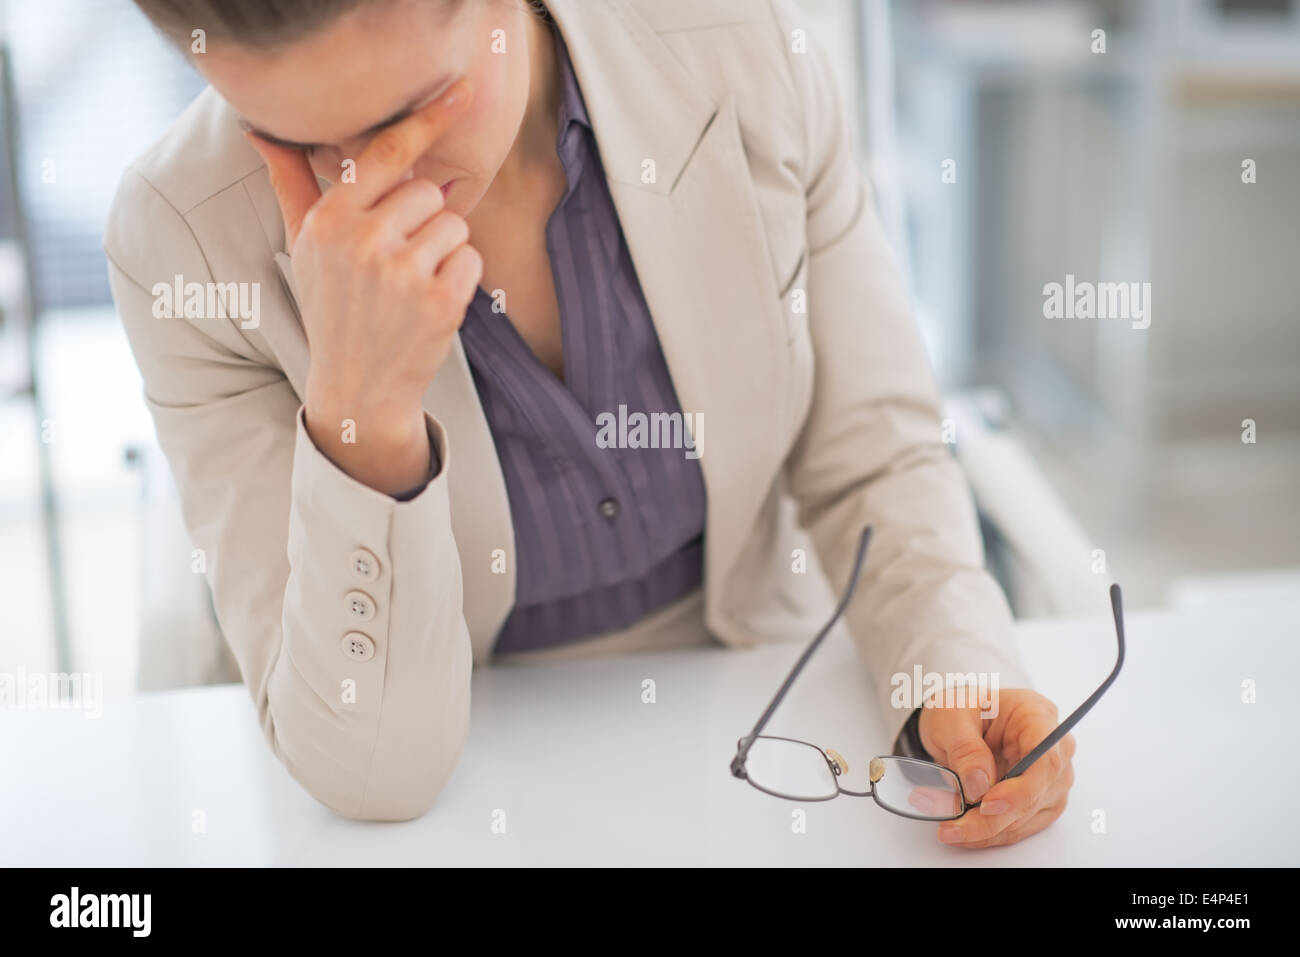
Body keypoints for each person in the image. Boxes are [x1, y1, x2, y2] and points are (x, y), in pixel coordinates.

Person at [104, 0, 1075, 846]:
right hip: (474, 784)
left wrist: (954, 670)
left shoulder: (739, 45)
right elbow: (373, 775)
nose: (373, 188)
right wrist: (363, 417)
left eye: (405, 115)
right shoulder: (181, 239)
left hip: (775, 718)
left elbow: (872, 453)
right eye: (299, 141)